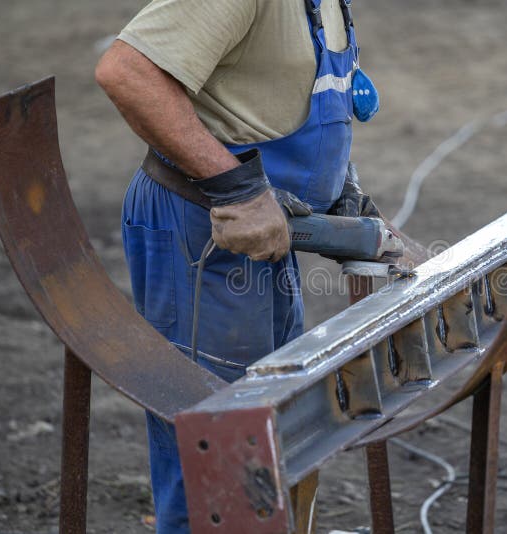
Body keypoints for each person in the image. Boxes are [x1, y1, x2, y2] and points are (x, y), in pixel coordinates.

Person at [95, 1, 380, 531]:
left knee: (273, 420)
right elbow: (126, 72)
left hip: (267, 232)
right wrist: (239, 190)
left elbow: (282, 98)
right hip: (203, 227)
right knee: (214, 445)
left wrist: (343, 186)